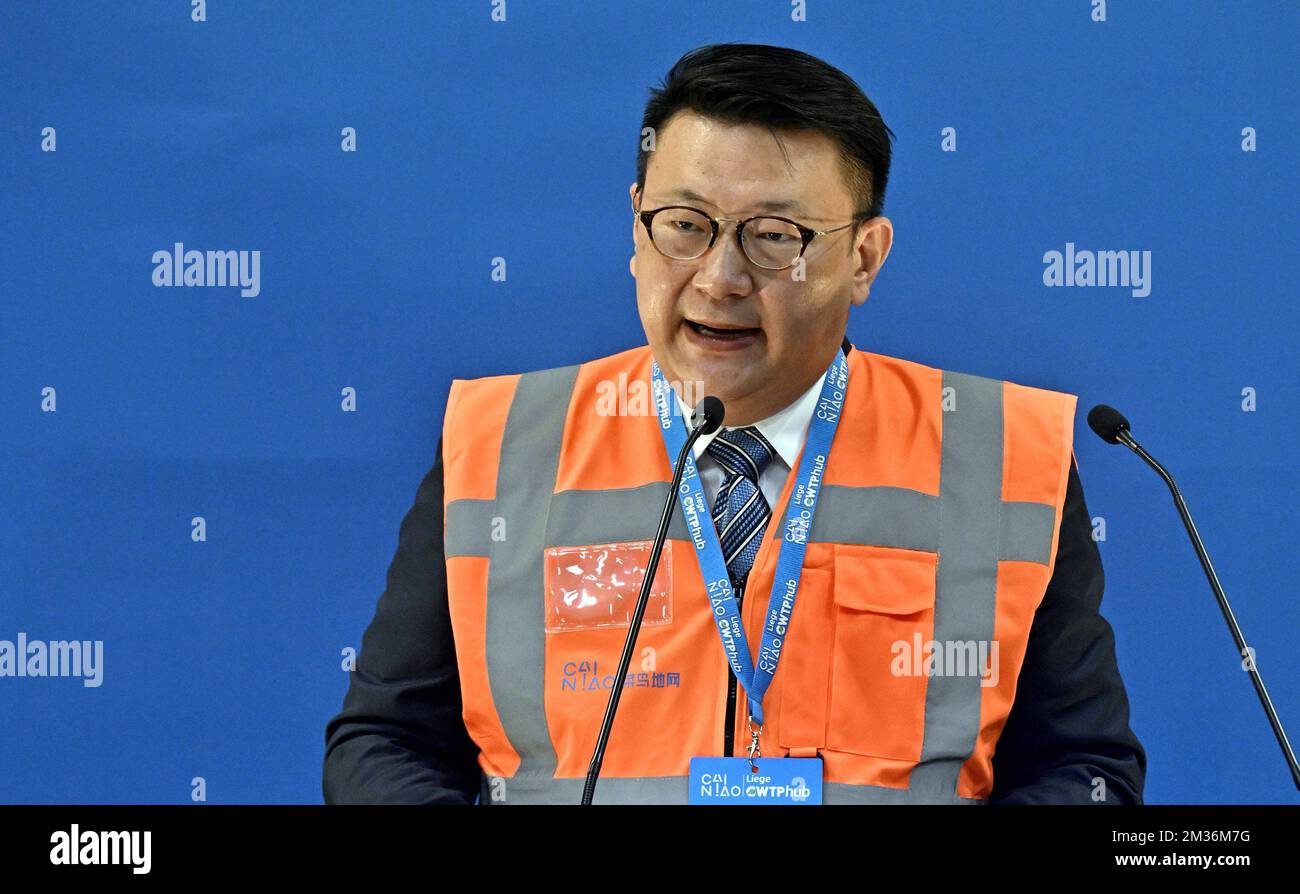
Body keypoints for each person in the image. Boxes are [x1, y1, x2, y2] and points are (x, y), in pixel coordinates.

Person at [323, 42, 1146, 805]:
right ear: (637, 224)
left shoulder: (996, 454)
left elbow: (1085, 768)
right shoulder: (503, 442)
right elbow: (384, 745)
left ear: (864, 257)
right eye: (685, 225)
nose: (719, 277)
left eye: (773, 237)